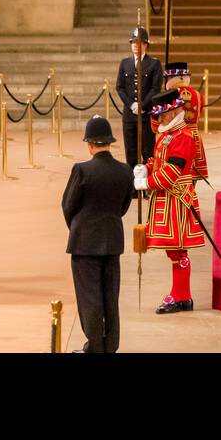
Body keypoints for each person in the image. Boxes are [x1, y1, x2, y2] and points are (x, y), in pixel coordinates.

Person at [61, 116, 133, 353]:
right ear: (109, 143)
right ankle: (110, 345)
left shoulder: (82, 170)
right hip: (112, 239)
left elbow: (68, 205)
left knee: (89, 298)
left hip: (84, 242)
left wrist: (78, 226)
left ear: (90, 144)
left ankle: (95, 346)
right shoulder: (124, 171)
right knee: (110, 296)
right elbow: (123, 207)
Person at [134, 87, 208, 314]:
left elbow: (172, 171)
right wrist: (146, 169)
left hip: (176, 198)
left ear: (174, 111)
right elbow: (159, 163)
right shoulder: (167, 136)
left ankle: (181, 295)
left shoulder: (183, 137)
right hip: (167, 198)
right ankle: (181, 295)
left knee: (177, 250)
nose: (160, 118)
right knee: (174, 251)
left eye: (163, 114)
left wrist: (148, 183)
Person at [116, 26, 163, 174]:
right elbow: (120, 87)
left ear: (146, 45)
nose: (136, 45)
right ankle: (133, 187)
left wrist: (143, 104)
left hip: (147, 114)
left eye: (139, 42)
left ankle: (148, 184)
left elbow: (155, 88)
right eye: (133, 42)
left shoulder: (154, 64)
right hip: (130, 115)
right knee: (131, 153)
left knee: (148, 153)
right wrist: (131, 105)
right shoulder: (125, 63)